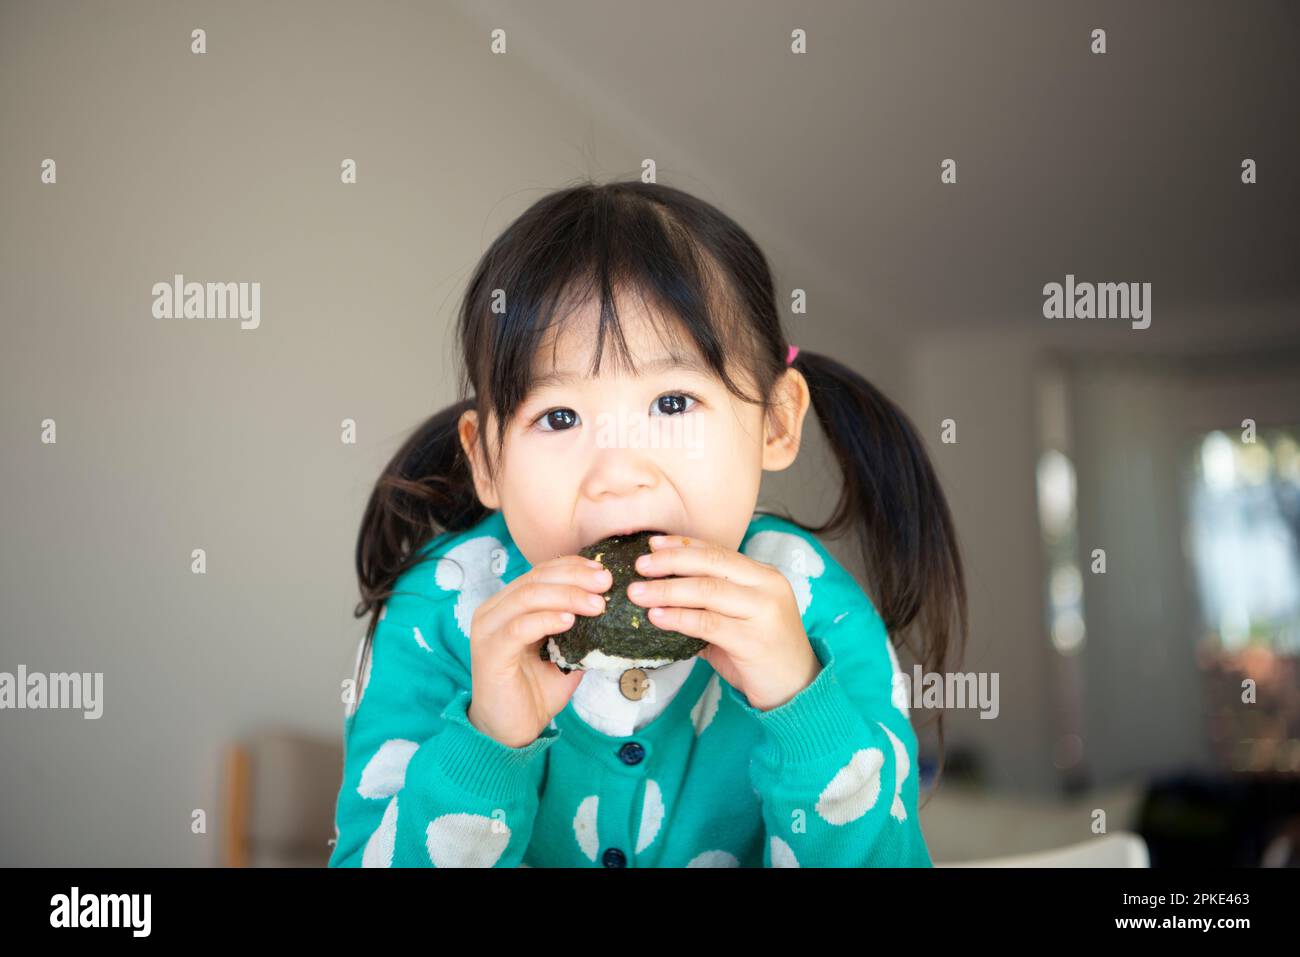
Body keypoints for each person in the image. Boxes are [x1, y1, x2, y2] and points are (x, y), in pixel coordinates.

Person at [328, 180, 966, 867]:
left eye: (672, 401)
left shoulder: (817, 610)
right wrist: (487, 742)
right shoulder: (437, 613)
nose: (618, 472)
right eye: (559, 417)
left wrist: (799, 702)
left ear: (775, 423)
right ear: (487, 459)